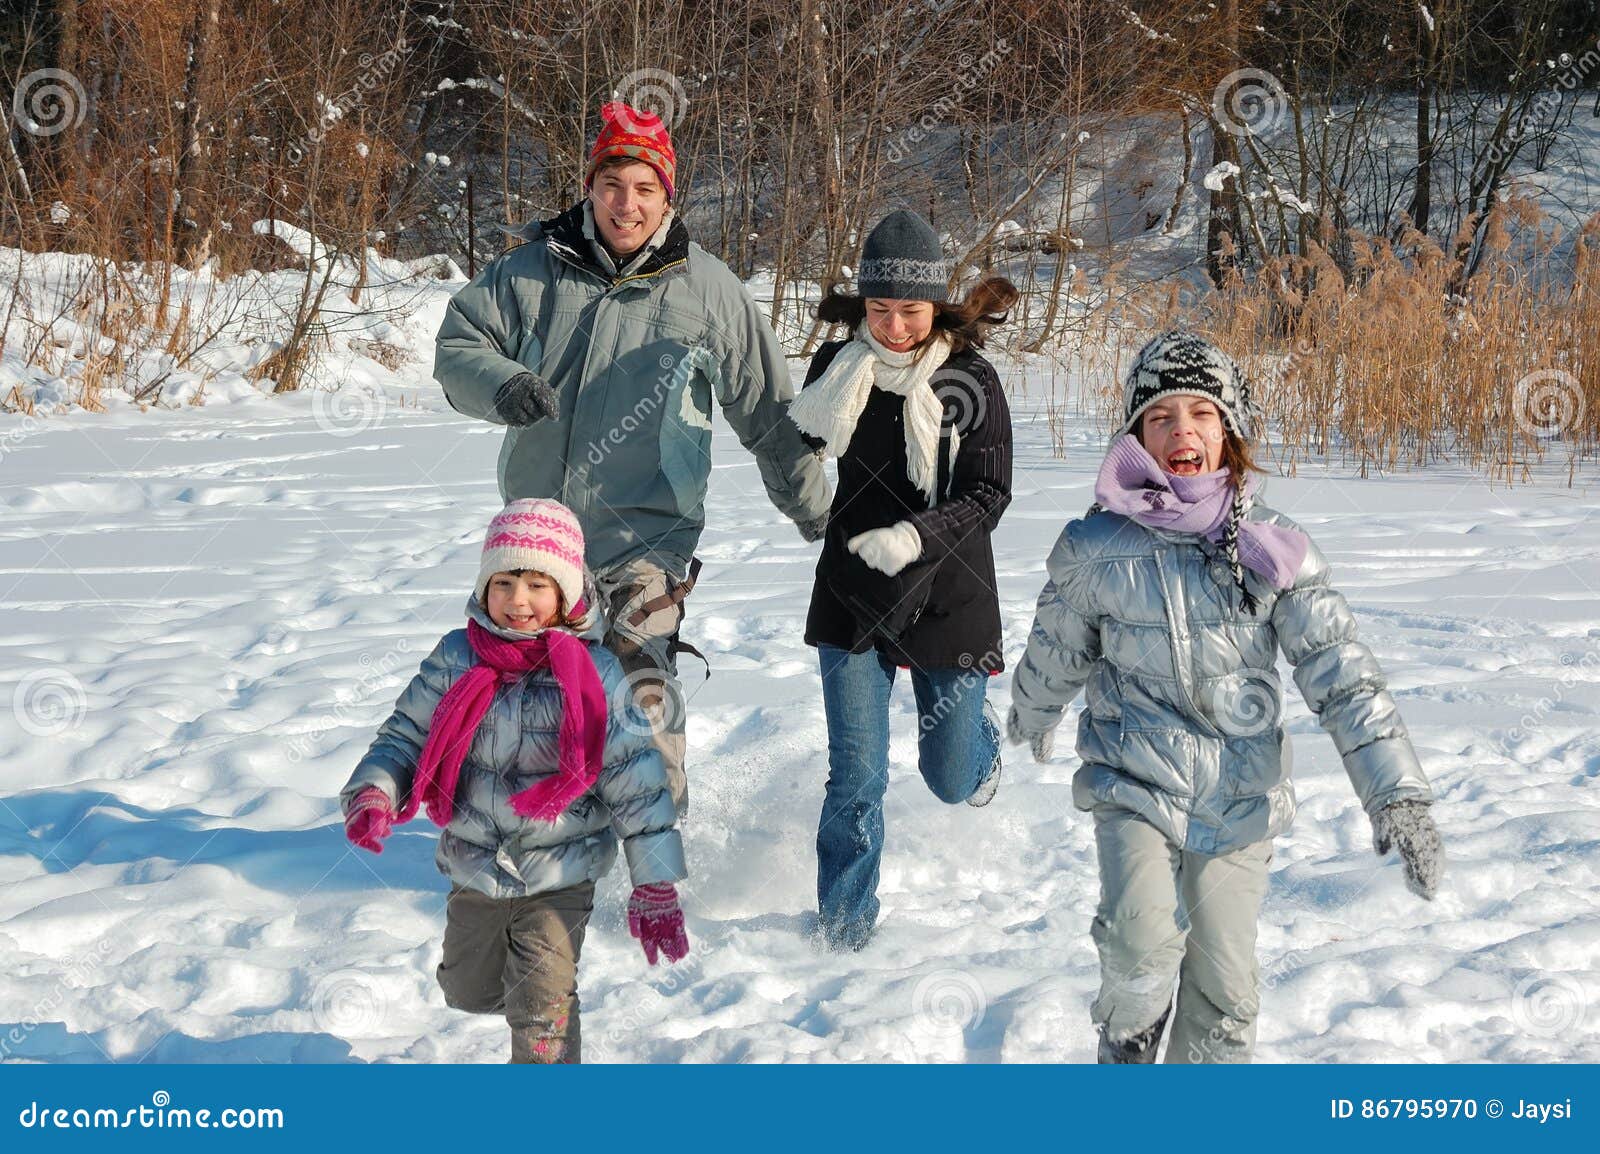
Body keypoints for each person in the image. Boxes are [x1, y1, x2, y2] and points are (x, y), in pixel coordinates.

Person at [1007, 330, 1444, 1062]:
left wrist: (1396, 795)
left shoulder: (1275, 549)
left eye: (1202, 413)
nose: (1183, 431)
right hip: (1134, 781)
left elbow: (1343, 677)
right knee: (1141, 948)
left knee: (1226, 995)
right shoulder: (1098, 546)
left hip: (1240, 799)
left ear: (1230, 430)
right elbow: (1058, 645)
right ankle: (1128, 1044)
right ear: (1138, 437)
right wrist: (1032, 711)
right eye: (1162, 416)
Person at [433, 100, 831, 818]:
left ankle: (655, 855)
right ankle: (541, 848)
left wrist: (817, 513)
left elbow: (770, 413)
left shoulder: (709, 291)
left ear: (667, 197)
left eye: (646, 188)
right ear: (590, 187)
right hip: (542, 541)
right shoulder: (530, 273)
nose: (627, 203)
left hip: (650, 532)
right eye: (614, 183)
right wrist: (507, 385)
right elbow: (458, 346)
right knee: (541, 708)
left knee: (643, 689)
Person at [340, 498, 688, 1063]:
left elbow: (637, 779)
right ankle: (528, 995)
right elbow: (406, 736)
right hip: (475, 863)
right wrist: (377, 790)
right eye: (503, 582)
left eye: (536, 584)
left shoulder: (594, 671)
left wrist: (655, 879)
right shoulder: (458, 657)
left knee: (541, 1009)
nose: (517, 601)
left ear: (566, 595)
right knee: (468, 990)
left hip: (559, 871)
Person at [790, 209, 1016, 952]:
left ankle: (979, 743)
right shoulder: (834, 369)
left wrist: (915, 536)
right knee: (855, 778)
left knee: (949, 778)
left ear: (938, 306)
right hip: (852, 595)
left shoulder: (968, 380)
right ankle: (843, 932)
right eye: (878, 310)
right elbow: (792, 441)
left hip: (947, 598)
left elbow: (989, 495)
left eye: (910, 311)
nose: (892, 327)